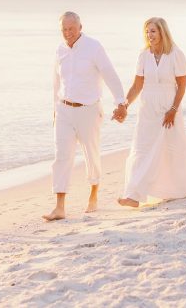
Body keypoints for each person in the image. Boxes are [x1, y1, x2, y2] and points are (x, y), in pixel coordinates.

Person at [42, 12, 127, 221]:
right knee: (61, 156)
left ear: (80, 27)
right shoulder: (60, 49)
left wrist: (120, 102)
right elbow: (56, 82)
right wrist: (54, 109)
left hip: (88, 109)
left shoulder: (94, 47)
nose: (68, 33)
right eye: (64, 29)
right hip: (63, 109)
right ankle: (60, 206)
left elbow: (109, 73)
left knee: (91, 153)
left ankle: (94, 194)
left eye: (71, 28)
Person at [117, 18, 186, 208]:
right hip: (147, 108)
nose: (149, 35)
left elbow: (182, 85)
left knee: (169, 149)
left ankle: (174, 190)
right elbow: (137, 85)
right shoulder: (143, 55)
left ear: (162, 33)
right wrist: (124, 105)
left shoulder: (176, 54)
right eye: (147, 32)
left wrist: (173, 110)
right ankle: (133, 195)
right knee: (141, 149)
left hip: (169, 106)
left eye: (153, 32)